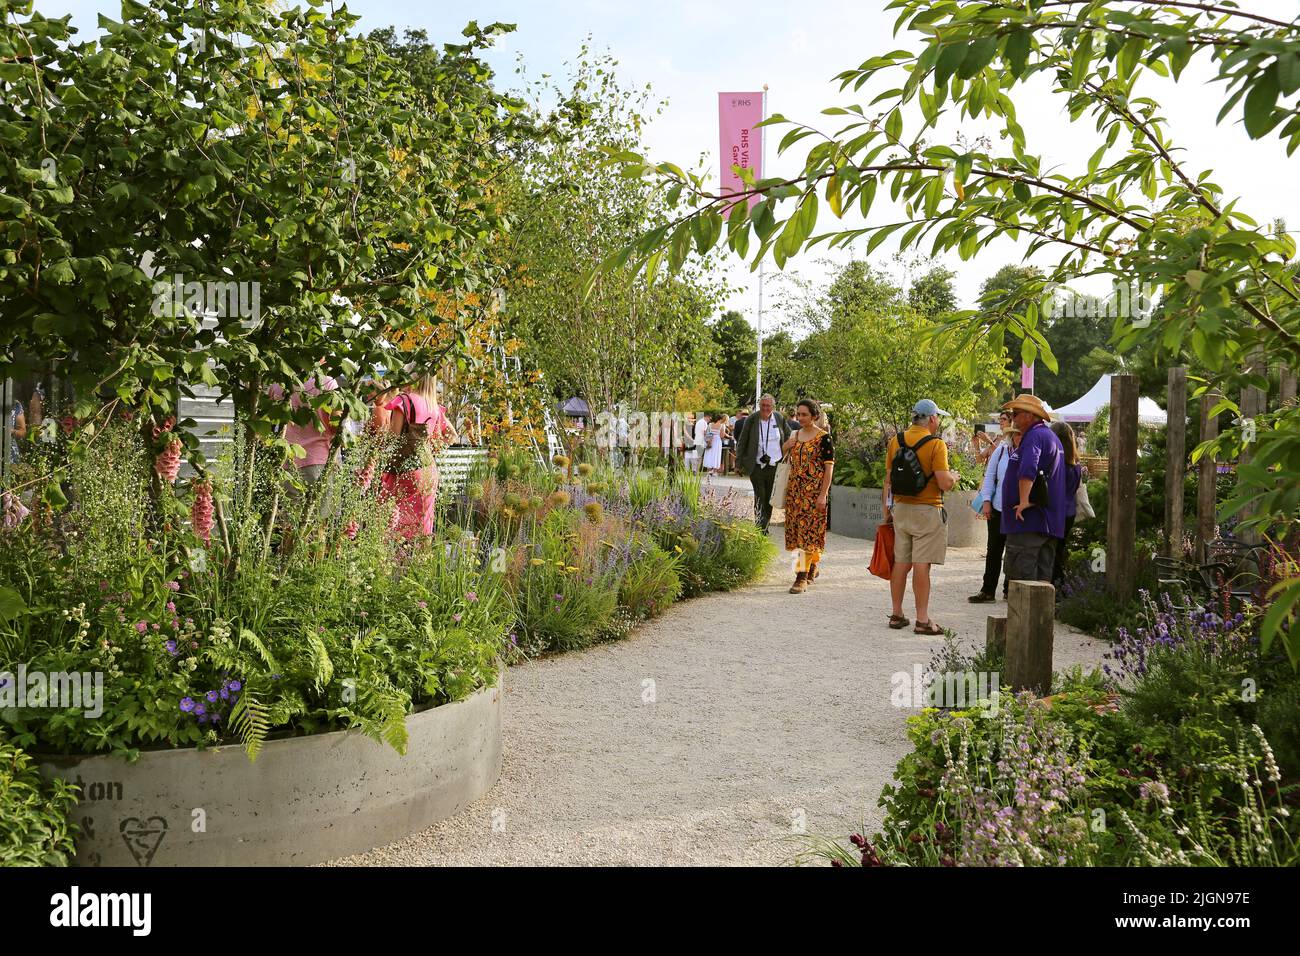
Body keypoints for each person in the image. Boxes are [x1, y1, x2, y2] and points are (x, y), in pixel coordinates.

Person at [884, 399, 959, 635]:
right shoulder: (937, 445)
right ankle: (923, 620)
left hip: (901, 509)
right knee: (921, 565)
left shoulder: (896, 440)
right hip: (927, 510)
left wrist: (888, 511)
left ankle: (896, 614)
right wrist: (954, 476)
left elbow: (888, 480)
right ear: (933, 419)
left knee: (901, 563)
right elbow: (944, 482)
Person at [381, 373, 457, 540]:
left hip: (406, 468)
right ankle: (421, 561)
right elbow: (452, 434)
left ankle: (396, 563)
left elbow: (393, 438)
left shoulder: (404, 401)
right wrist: (432, 447)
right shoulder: (433, 405)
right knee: (424, 522)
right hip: (428, 468)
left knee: (394, 521)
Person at [1000, 394, 1066, 584]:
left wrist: (1023, 501)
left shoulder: (1034, 436)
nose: (1013, 418)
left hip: (1029, 524)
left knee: (1023, 582)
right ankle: (1040, 615)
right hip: (1044, 522)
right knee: (1041, 582)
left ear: (1030, 415)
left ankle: (1026, 616)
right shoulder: (1049, 436)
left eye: (1016, 413)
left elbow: (1028, 469)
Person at [782, 399, 835, 593]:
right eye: (799, 414)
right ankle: (811, 567)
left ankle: (800, 576)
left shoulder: (824, 438)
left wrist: (823, 494)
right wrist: (788, 444)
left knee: (808, 533)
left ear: (815, 416)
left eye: (805, 414)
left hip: (813, 494)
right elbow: (785, 455)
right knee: (798, 534)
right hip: (794, 492)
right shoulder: (795, 434)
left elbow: (829, 468)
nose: (801, 418)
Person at [969, 410, 1018, 603]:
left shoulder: (1026, 451)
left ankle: (1009, 589)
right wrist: (987, 501)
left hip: (1016, 509)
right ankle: (988, 589)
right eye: (1014, 433)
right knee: (994, 550)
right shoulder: (1002, 450)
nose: (1016, 436)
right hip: (998, 507)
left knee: (1013, 550)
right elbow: (990, 477)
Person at [269, 369, 340, 485]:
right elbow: (335, 427)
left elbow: (269, 423)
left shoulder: (277, 384)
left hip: (285, 460)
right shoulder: (327, 383)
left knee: (290, 503)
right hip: (318, 459)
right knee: (320, 503)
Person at [735, 394, 792, 531]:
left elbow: (789, 434)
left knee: (769, 498)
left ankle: (765, 525)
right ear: (759, 406)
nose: (765, 408)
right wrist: (738, 464)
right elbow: (742, 441)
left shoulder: (778, 418)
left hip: (775, 465)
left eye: (768, 406)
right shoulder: (752, 419)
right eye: (763, 405)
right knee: (759, 496)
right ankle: (761, 529)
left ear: (773, 406)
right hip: (757, 466)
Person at [1049, 420, 1084, 588]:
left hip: (1055, 512)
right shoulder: (1076, 465)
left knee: (1051, 554)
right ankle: (1061, 586)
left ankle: (1056, 587)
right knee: (1059, 551)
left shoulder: (1057, 464)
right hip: (1069, 512)